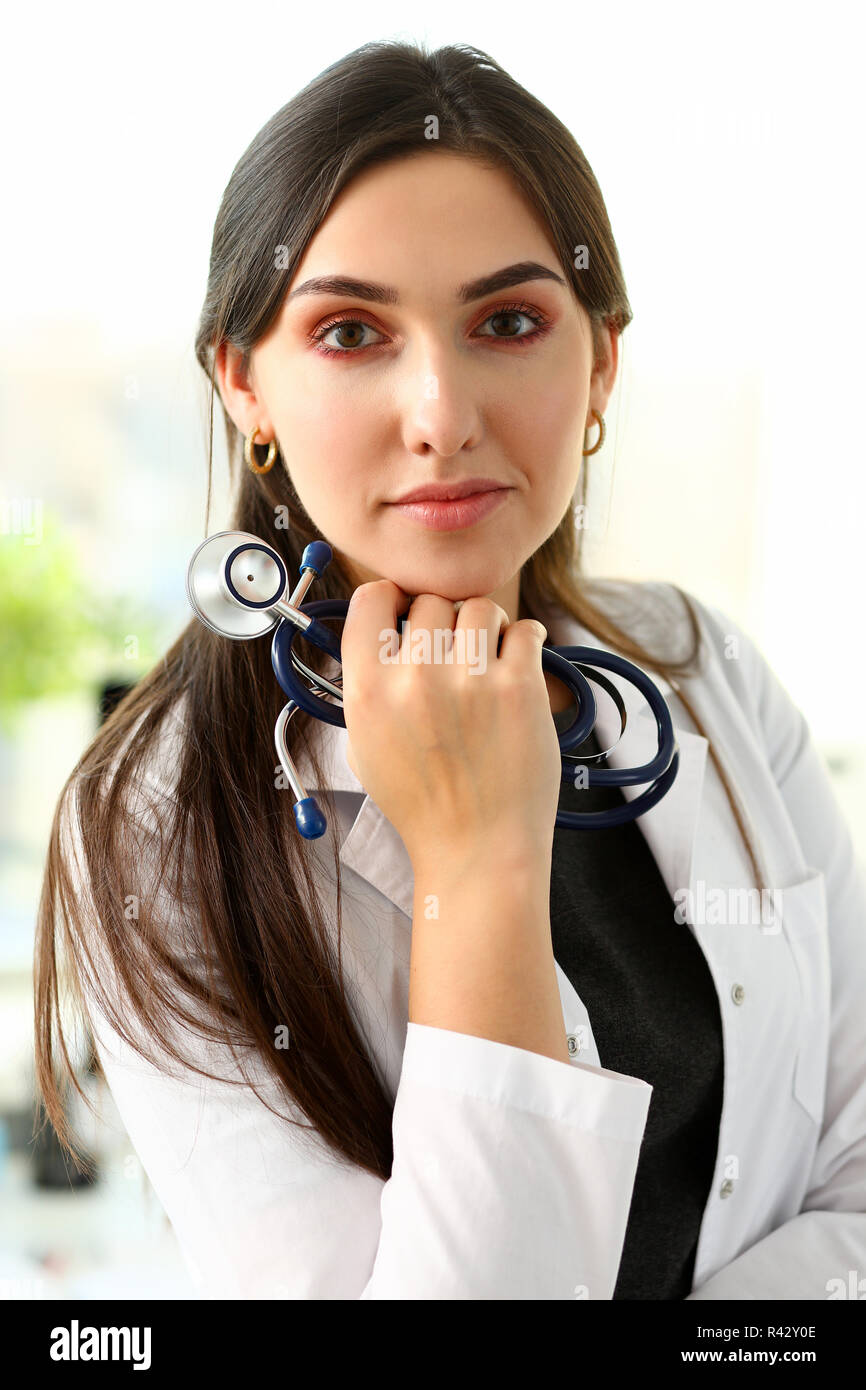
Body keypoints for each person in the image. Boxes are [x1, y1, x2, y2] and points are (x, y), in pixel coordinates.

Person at [33, 39, 866, 1300]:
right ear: (243, 381)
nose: (439, 410)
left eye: (509, 321)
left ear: (597, 363)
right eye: (352, 330)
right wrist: (478, 868)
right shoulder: (152, 830)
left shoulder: (705, 673)